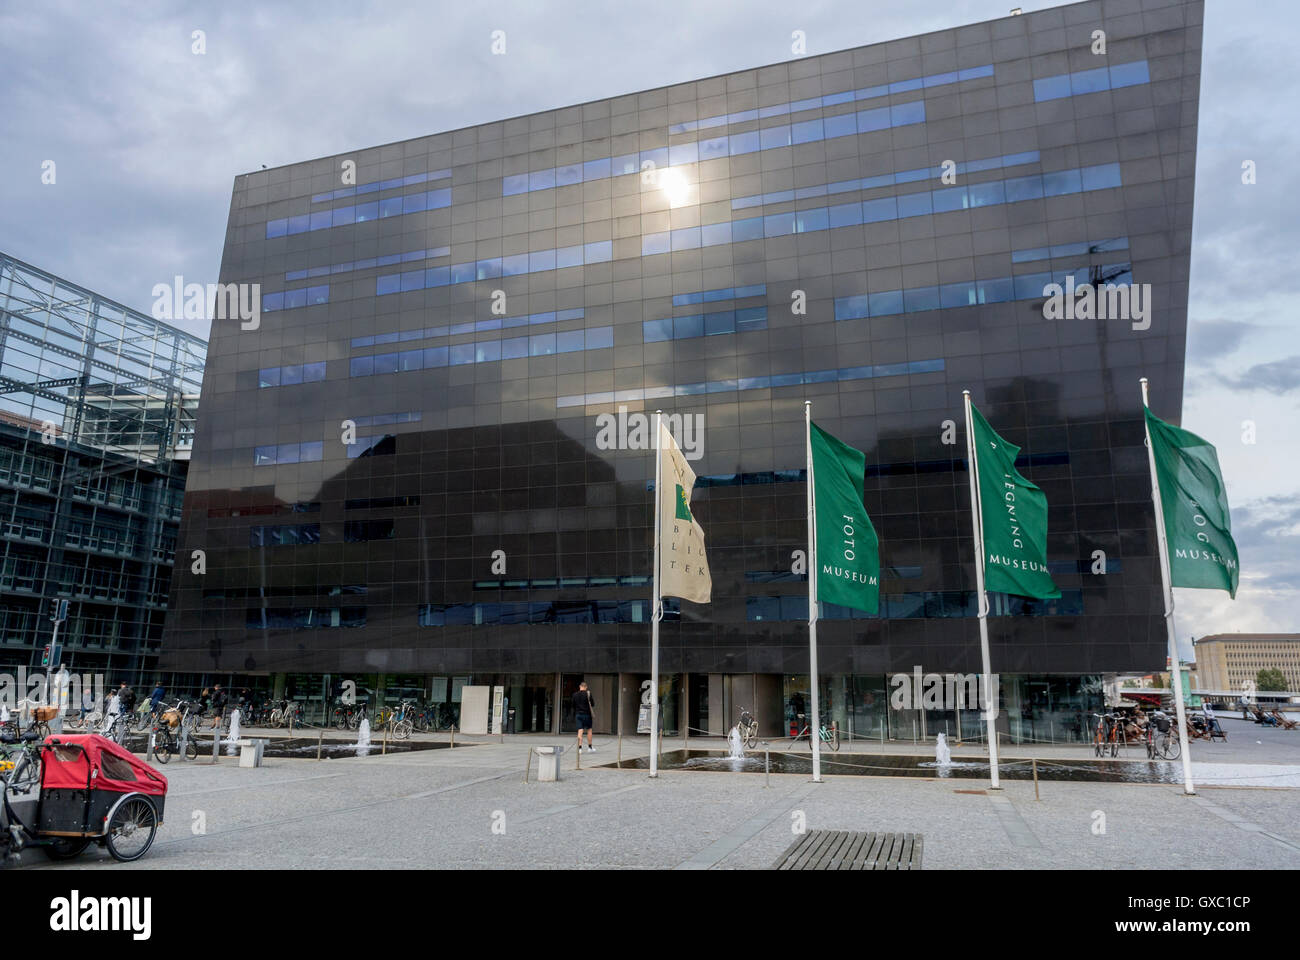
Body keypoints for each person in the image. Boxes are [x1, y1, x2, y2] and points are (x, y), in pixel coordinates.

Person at [573, 681, 595, 753]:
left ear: (580, 686)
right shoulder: (588, 694)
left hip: (578, 714)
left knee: (580, 730)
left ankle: (580, 748)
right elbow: (593, 704)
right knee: (589, 730)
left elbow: (573, 705)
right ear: (586, 687)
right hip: (587, 715)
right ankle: (590, 747)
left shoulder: (575, 695)